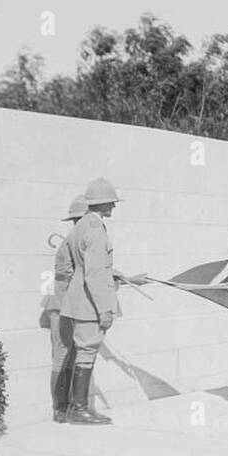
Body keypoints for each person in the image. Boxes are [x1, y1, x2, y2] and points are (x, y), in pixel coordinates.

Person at [60, 178, 150, 425]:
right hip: (90, 302)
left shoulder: (81, 227)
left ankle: (77, 407)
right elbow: (95, 274)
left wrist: (127, 278)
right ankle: (79, 409)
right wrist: (105, 310)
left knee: (83, 351)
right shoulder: (95, 229)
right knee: (87, 352)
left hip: (80, 299)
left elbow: (89, 268)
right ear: (102, 204)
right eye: (111, 202)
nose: (114, 206)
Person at [46, 195, 86, 422]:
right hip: (62, 308)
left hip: (73, 308)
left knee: (71, 356)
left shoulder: (78, 243)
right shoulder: (71, 244)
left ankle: (68, 405)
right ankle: (59, 408)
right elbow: (82, 275)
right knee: (62, 356)